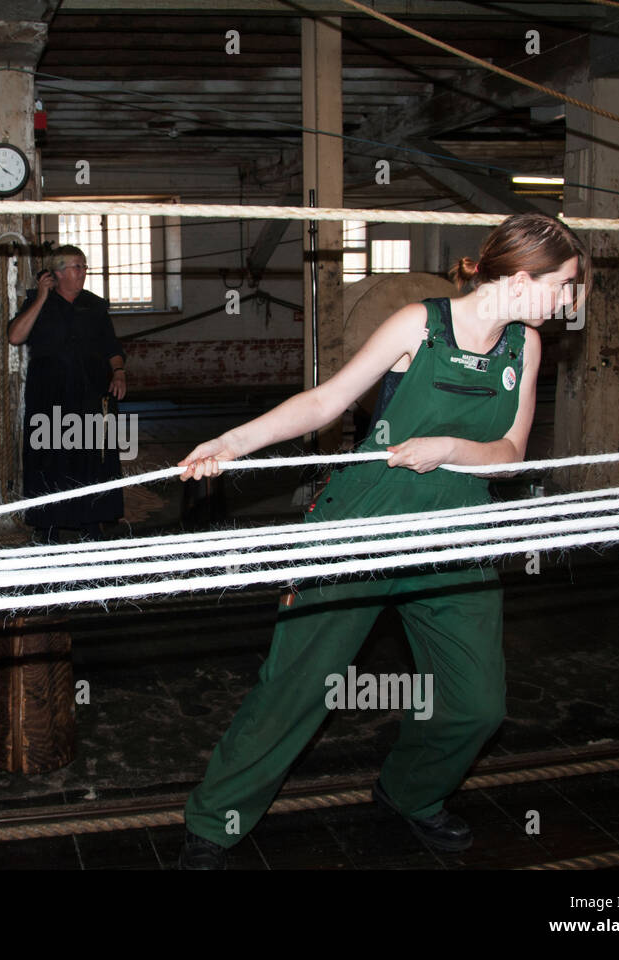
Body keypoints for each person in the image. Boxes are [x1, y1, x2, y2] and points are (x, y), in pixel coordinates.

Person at [175, 213, 587, 868]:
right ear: (522, 276)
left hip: (454, 535)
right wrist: (229, 445)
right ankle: (214, 819)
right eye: (564, 285)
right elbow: (324, 403)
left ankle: (409, 793)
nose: (570, 303)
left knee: (477, 703)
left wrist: (452, 448)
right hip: (363, 522)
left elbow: (509, 455)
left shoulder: (524, 347)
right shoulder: (419, 325)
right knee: (299, 685)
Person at [8, 245, 127, 542]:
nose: (83, 272)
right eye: (77, 266)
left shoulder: (95, 306)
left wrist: (120, 372)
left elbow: (112, 349)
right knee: (49, 460)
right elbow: (15, 336)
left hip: (91, 396)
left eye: (85, 266)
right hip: (50, 398)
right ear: (57, 273)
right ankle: (46, 525)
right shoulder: (37, 303)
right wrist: (42, 296)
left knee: (92, 460)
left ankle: (91, 522)